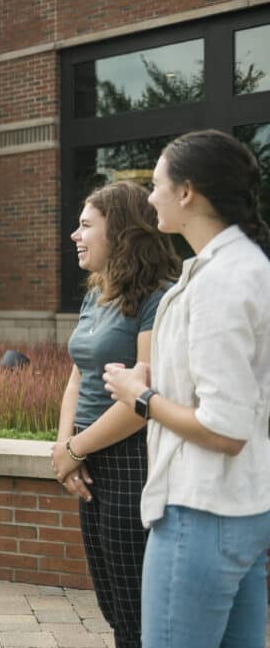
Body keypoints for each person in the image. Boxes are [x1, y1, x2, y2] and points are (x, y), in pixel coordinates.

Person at [103, 129, 270, 647]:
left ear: (187, 192)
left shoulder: (224, 280)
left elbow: (225, 428)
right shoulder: (243, 267)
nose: (149, 196)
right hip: (243, 510)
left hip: (202, 514)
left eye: (155, 184)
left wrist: (141, 397)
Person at [50, 181, 180, 648]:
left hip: (131, 461)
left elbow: (144, 402)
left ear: (120, 232)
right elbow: (77, 377)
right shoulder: (96, 293)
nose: (74, 235)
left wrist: (75, 447)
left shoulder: (158, 298)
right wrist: (65, 447)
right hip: (88, 458)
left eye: (85, 225)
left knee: (136, 605)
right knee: (110, 598)